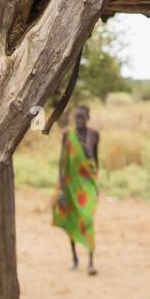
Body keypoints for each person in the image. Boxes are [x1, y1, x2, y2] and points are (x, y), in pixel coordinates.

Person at [51, 105, 99, 274]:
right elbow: (62, 162)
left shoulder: (94, 135)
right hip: (71, 184)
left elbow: (95, 161)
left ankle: (91, 262)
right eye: (76, 117)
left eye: (82, 117)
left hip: (88, 185)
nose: (78, 121)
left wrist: (96, 184)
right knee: (72, 219)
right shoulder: (67, 136)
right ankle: (75, 258)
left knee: (87, 219)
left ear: (87, 118)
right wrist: (61, 189)